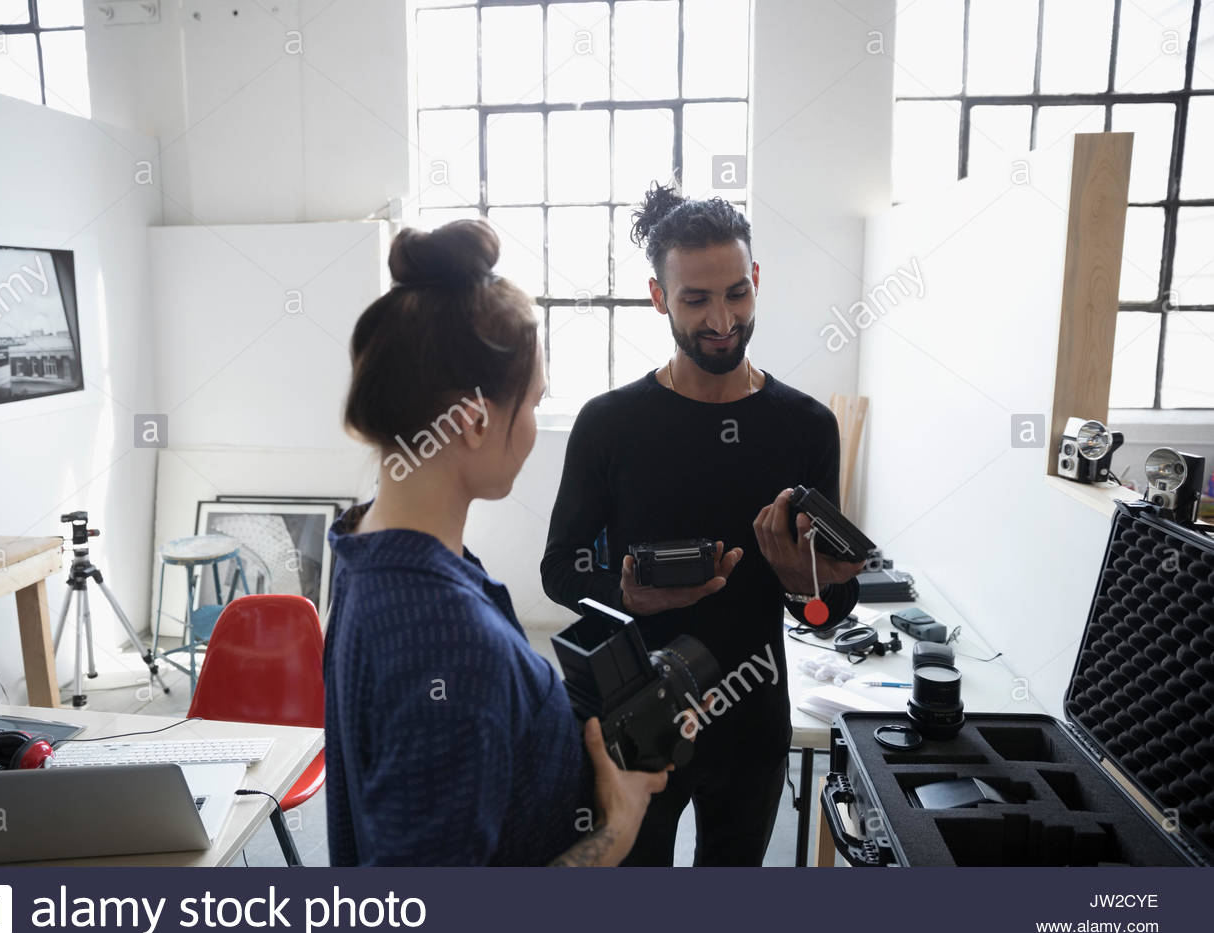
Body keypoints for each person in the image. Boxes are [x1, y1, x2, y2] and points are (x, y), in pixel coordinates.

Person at [323, 218, 671, 866]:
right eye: (534, 403)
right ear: (476, 421)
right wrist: (616, 829)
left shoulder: (360, 549)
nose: (535, 425)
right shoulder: (453, 646)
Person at [540, 183, 864, 866]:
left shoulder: (806, 427)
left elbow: (824, 610)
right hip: (637, 711)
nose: (722, 319)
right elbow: (560, 568)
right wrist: (629, 595)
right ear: (658, 296)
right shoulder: (610, 425)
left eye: (737, 294)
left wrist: (802, 582)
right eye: (695, 300)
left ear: (756, 281)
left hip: (752, 711)